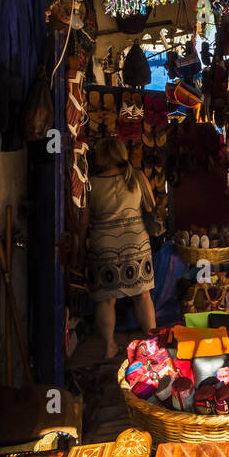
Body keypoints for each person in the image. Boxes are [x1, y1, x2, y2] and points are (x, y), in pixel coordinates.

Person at [87, 136, 156, 359]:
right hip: (136, 243)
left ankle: (108, 346)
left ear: (104, 156)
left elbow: (83, 219)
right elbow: (151, 205)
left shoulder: (92, 183)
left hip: (104, 245)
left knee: (106, 299)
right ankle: (151, 345)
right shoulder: (136, 177)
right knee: (142, 295)